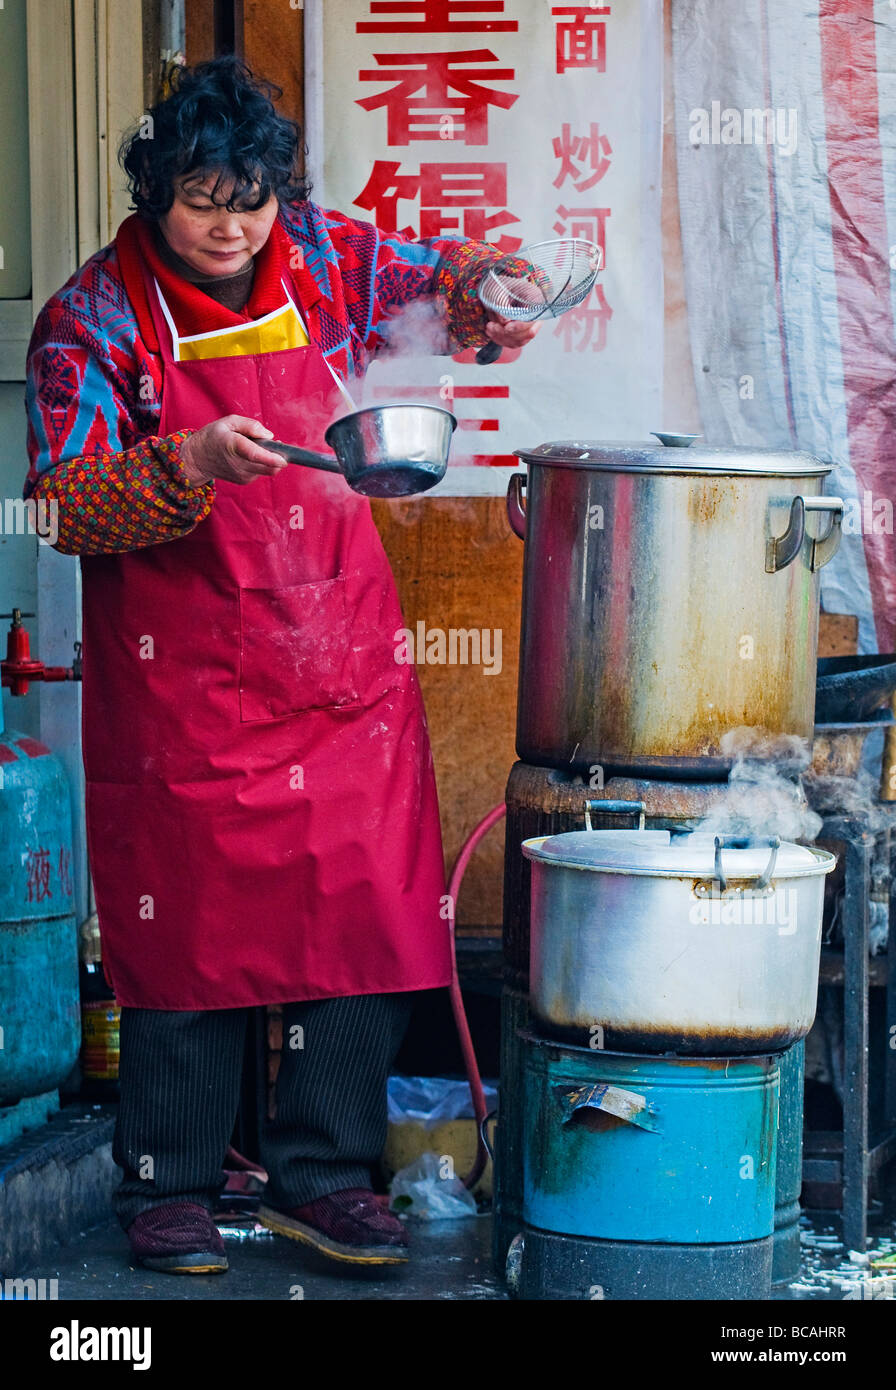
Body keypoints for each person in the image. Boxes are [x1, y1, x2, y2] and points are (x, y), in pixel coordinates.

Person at [25, 55, 535, 1275]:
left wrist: (496, 288)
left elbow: (448, 299)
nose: (231, 223)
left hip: (336, 665)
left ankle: (324, 1178)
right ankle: (170, 1186)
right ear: (152, 192)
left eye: (249, 198)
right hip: (186, 683)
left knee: (356, 919)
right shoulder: (90, 319)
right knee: (187, 933)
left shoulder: (319, 251)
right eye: (202, 197)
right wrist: (187, 463)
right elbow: (56, 509)